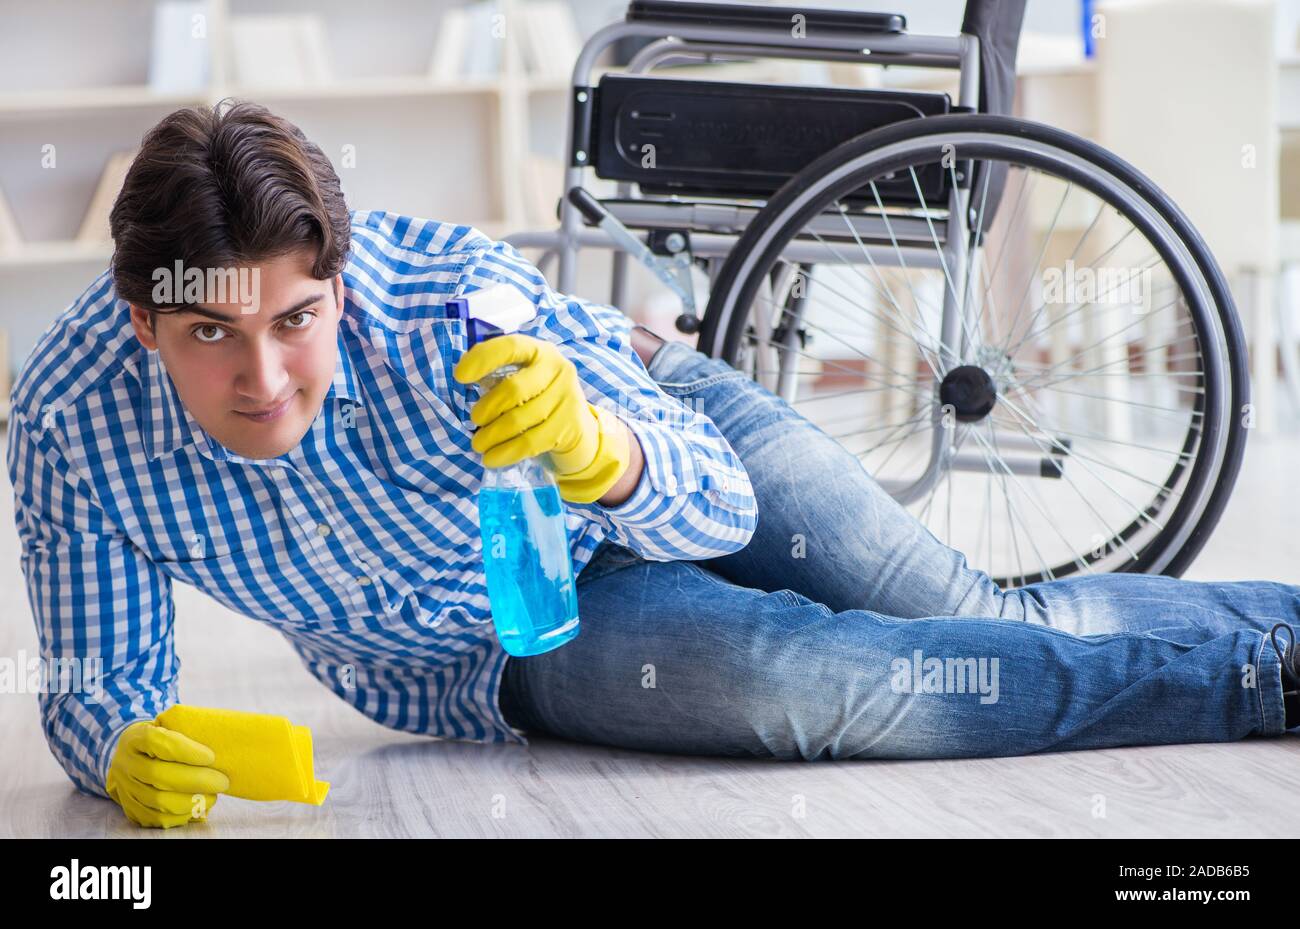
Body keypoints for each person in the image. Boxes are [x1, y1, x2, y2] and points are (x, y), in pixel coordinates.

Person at [8, 101, 1299, 830]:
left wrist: (596, 445)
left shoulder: (452, 295)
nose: (266, 379)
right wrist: (119, 748)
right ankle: (1264, 678)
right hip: (513, 638)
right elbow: (100, 684)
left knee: (969, 614)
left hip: (662, 441)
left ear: (338, 286)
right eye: (211, 337)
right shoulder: (72, 426)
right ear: (142, 321)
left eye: (297, 322)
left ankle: (1273, 645)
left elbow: (720, 496)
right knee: (813, 682)